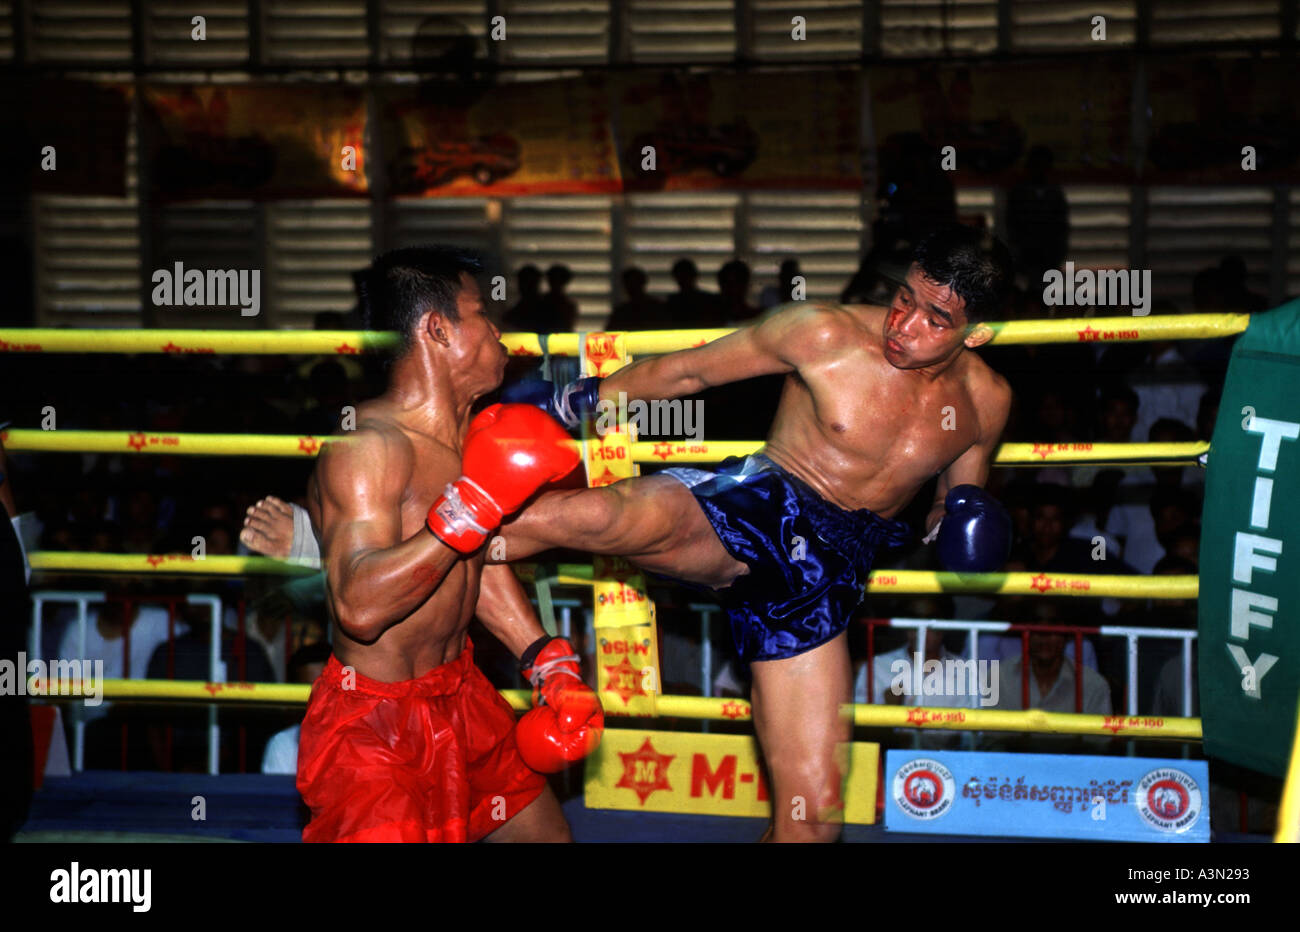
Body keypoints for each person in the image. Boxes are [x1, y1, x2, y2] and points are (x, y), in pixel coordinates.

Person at [498, 224, 1015, 841]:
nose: (903, 326)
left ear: (976, 332)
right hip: (760, 505)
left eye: (935, 318)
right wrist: (575, 401)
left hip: (828, 577)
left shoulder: (986, 401)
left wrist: (952, 523)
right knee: (598, 517)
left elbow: (950, 500)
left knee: (814, 824)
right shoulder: (825, 331)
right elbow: (691, 372)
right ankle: (447, 532)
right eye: (904, 298)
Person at [295, 245, 602, 843]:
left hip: (462, 695)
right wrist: (463, 515)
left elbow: (469, 560)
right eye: (484, 315)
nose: (500, 333)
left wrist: (544, 656)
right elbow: (358, 606)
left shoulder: (472, 437)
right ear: (437, 328)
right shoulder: (369, 448)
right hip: (374, 726)